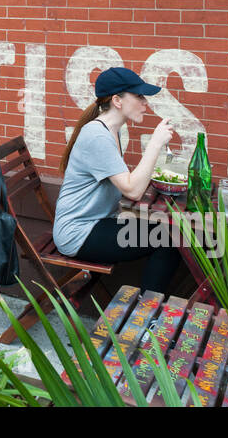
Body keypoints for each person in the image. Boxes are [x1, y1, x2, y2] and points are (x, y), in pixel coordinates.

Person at [51, 67, 181, 294]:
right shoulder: (98, 136)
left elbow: (128, 183)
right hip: (79, 233)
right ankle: (145, 317)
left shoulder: (111, 131)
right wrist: (155, 143)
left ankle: (146, 312)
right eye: (139, 96)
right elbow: (132, 190)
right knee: (167, 241)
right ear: (117, 101)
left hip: (98, 223)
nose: (145, 103)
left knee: (168, 234)